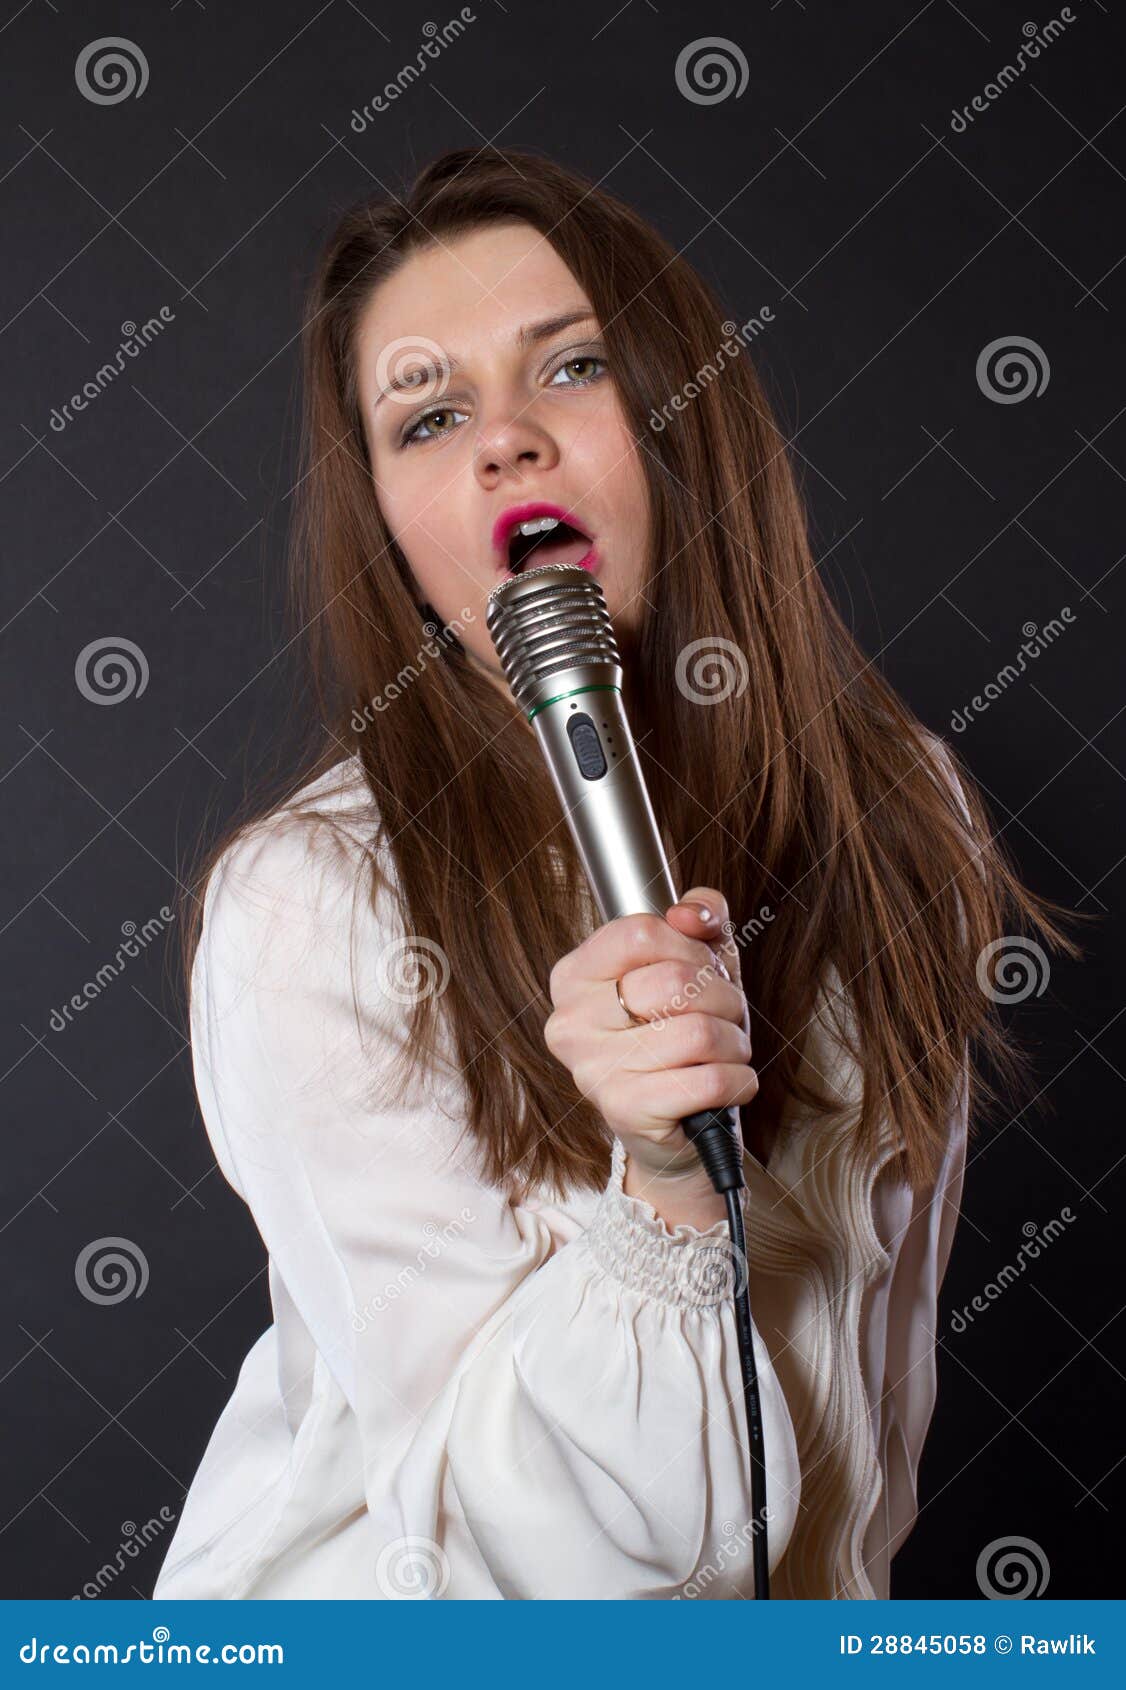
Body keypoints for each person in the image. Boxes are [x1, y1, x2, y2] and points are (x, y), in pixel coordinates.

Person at [152, 148, 1069, 1601]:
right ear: (392, 530)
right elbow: (532, 1576)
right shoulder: (309, 907)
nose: (503, 441)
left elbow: (848, 1459)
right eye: (429, 413)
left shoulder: (905, 818)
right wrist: (657, 1185)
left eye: (569, 369)